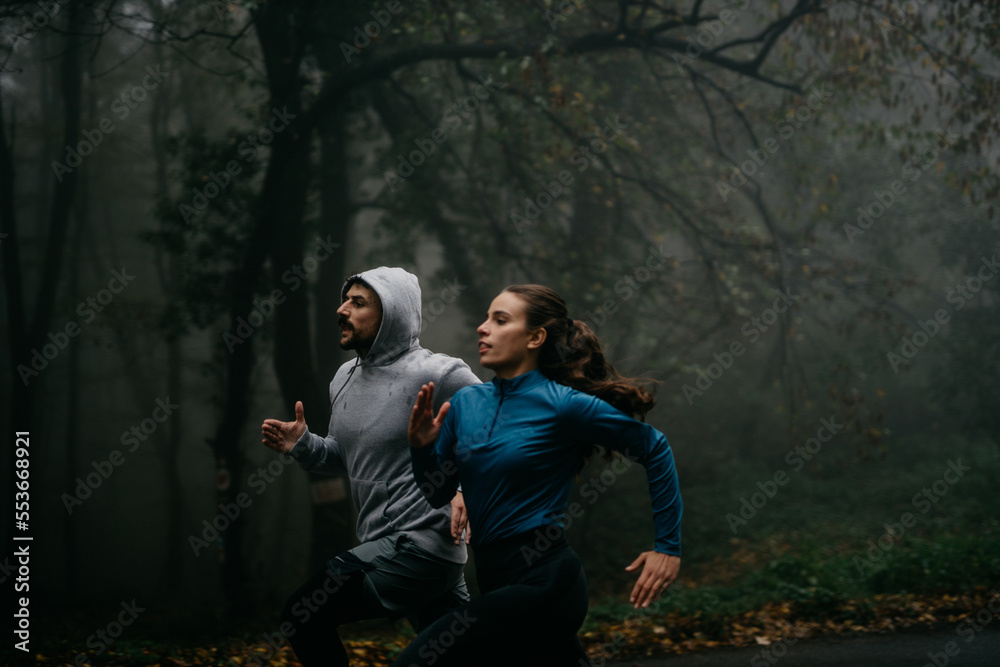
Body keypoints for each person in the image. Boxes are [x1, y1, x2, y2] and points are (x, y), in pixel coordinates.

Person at [394, 284, 683, 666]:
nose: (483, 327)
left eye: (500, 320)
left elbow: (654, 447)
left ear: (535, 338)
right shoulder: (464, 404)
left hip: (546, 580)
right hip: (493, 578)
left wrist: (668, 548)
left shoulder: (563, 405)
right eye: (486, 318)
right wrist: (420, 448)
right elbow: (438, 493)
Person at [261, 266, 481, 667]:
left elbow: (496, 429)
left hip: (421, 546)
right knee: (459, 657)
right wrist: (304, 446)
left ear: (392, 314)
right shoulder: (344, 377)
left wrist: (465, 489)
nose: (342, 310)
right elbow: (345, 457)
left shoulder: (439, 373)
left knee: (303, 613)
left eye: (358, 303)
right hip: (388, 543)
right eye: (345, 300)